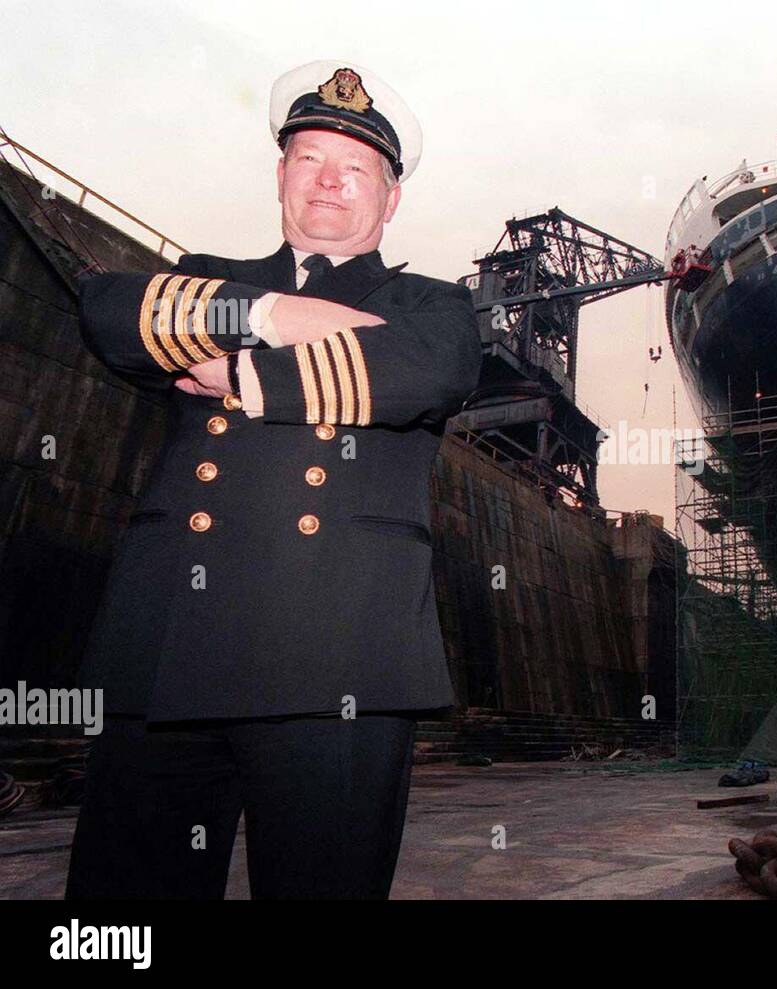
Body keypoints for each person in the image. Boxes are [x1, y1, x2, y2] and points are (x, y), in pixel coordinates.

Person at [65, 61, 483, 899]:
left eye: (356, 167)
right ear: (281, 174)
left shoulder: (433, 306)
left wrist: (240, 371)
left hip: (336, 665)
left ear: (390, 197)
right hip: (168, 651)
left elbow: (431, 368)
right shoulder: (210, 270)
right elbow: (109, 310)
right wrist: (272, 315)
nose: (330, 180)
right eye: (308, 158)